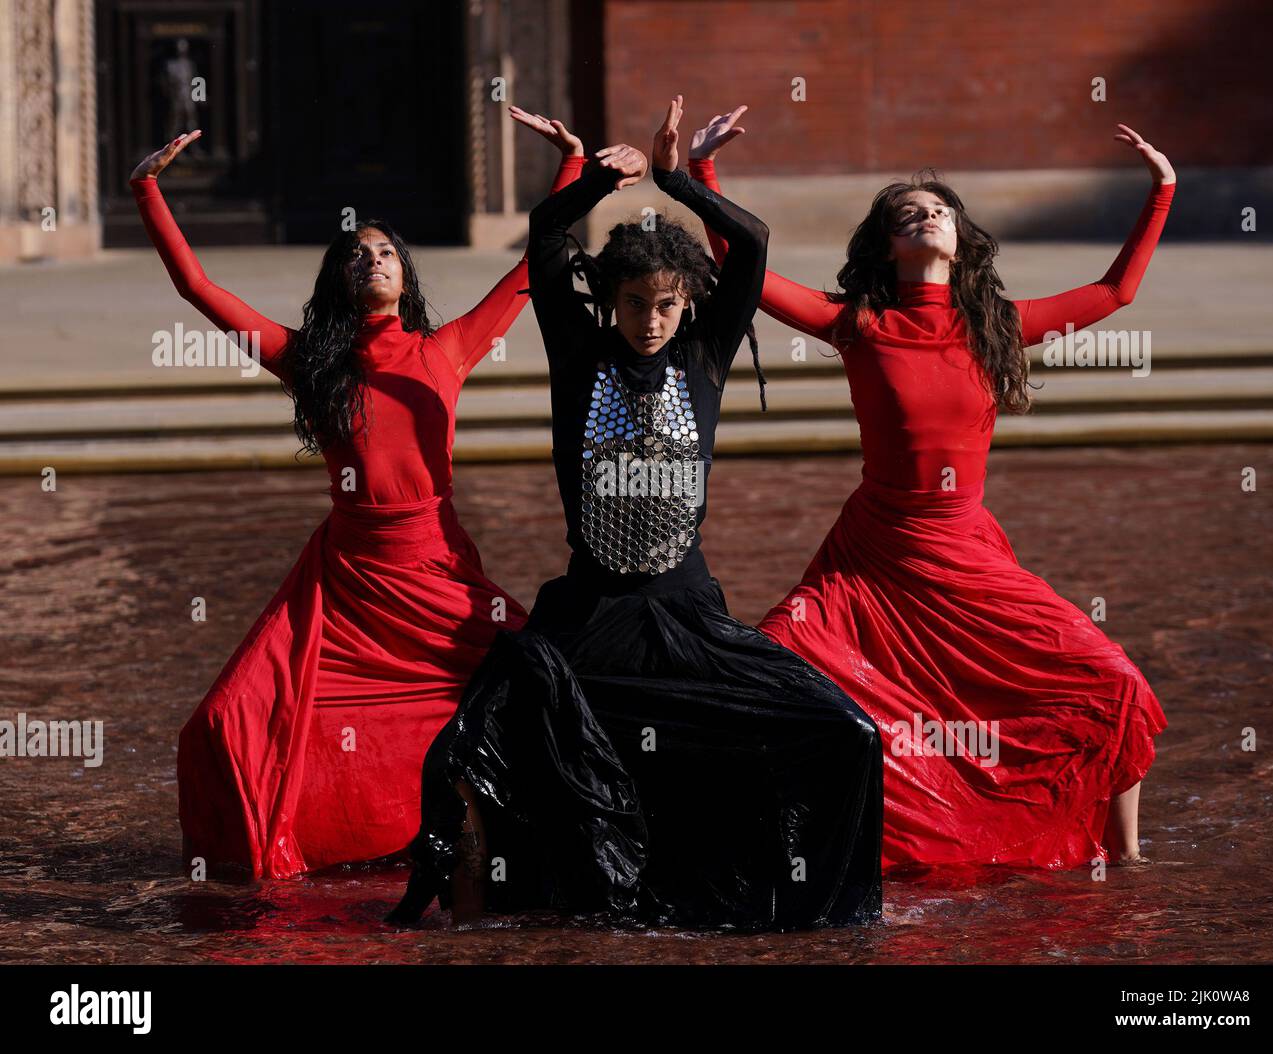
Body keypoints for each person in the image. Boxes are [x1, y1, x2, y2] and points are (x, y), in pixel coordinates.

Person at [388, 98, 883, 931]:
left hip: (687, 612)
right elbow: (546, 238)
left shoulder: (705, 355)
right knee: (466, 752)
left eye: (663, 304)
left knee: (846, 733)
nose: (648, 321)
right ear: (608, 302)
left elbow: (753, 244)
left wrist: (680, 182)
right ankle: (479, 928)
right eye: (632, 304)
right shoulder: (578, 358)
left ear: (688, 300)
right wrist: (590, 180)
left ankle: (816, 918)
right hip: (590, 613)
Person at [688, 111, 1172, 871]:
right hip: (873, 555)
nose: (927, 216)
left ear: (960, 236)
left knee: (1111, 680)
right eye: (908, 213)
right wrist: (702, 173)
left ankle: (1126, 862)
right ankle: (782, 849)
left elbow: (1117, 293)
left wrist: (1162, 187)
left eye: (939, 209)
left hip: (965, 548)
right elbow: (740, 264)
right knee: (774, 664)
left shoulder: (997, 327)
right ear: (887, 244)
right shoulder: (860, 324)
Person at [131, 118, 585, 879]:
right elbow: (198, 288)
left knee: (546, 678)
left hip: (435, 570)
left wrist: (570, 165)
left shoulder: (446, 350)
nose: (371, 261)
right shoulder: (308, 363)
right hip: (345, 582)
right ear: (338, 279)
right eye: (355, 255)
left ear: (404, 274)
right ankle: (294, 855)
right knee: (222, 724)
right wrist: (146, 189)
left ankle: (520, 842)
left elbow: (533, 268)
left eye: (384, 253)